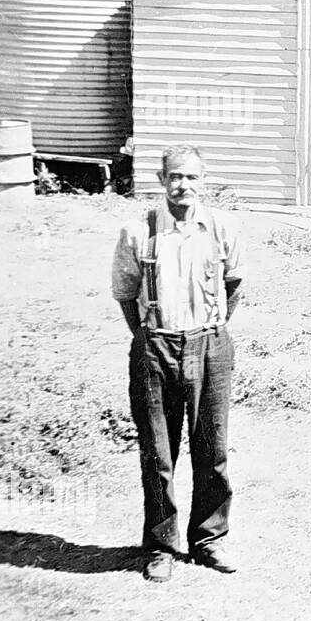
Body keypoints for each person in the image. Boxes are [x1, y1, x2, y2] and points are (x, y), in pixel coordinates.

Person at [111, 145, 246, 582]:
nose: (182, 185)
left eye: (191, 177)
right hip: (155, 347)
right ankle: (161, 546)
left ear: (203, 180)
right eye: (175, 177)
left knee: (213, 447)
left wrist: (208, 332)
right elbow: (125, 293)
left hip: (209, 346)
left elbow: (234, 284)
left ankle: (209, 538)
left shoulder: (223, 227)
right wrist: (150, 335)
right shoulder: (138, 231)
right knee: (158, 452)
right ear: (161, 179)